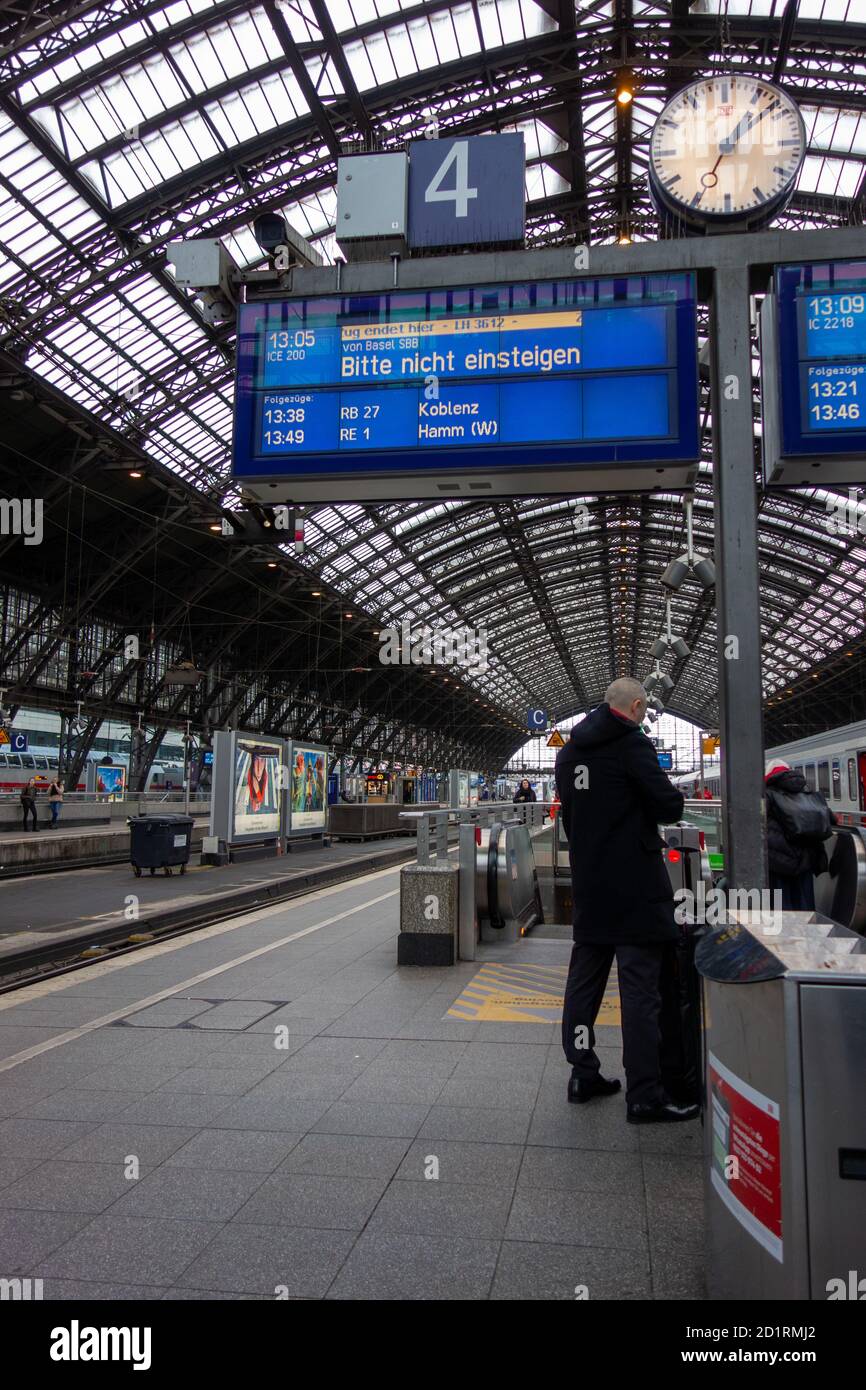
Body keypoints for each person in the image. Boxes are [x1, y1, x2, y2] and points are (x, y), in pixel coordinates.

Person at [555, 677, 699, 1125]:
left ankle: (583, 1073)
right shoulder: (632, 745)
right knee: (640, 993)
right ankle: (644, 1095)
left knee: (584, 985)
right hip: (636, 888)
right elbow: (668, 806)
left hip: (591, 885)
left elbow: (572, 820)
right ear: (637, 706)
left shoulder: (568, 752)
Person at [765, 760, 835, 910]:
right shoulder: (806, 792)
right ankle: (806, 931)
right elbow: (830, 818)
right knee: (805, 906)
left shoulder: (767, 794)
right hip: (805, 859)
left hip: (778, 860)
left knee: (781, 909)